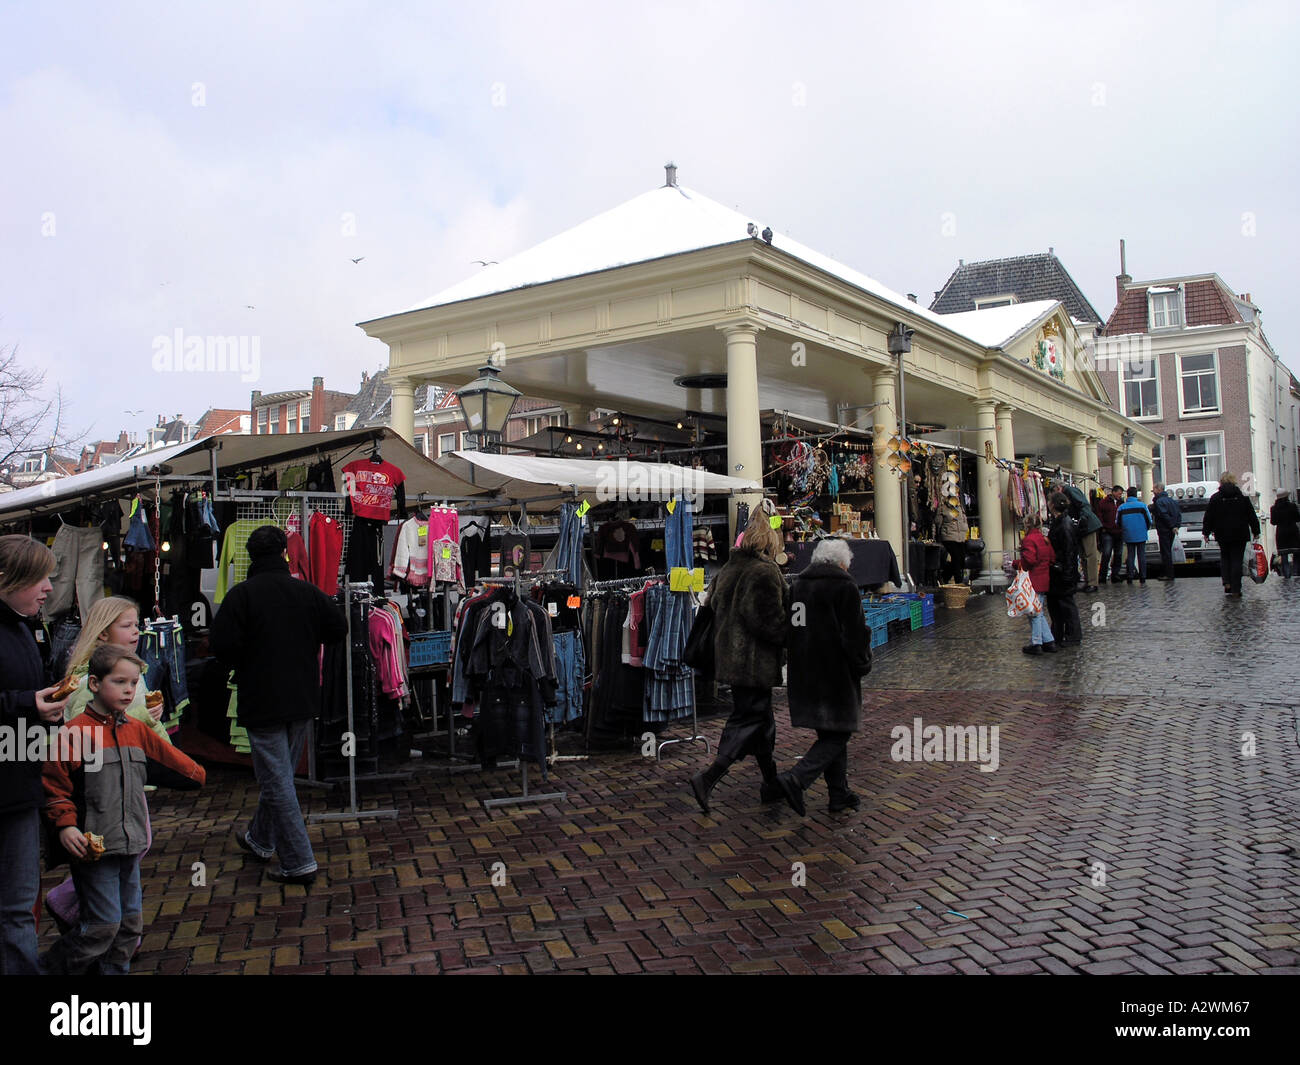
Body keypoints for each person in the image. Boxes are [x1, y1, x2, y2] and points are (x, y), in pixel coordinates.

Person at [40, 645, 205, 975]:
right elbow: (54, 787)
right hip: (93, 848)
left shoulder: (137, 730)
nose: (129, 690)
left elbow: (189, 772)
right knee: (101, 927)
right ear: (95, 684)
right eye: (119, 682)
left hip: (130, 844)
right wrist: (66, 825)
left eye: (133, 683)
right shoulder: (75, 733)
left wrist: (191, 772)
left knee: (129, 927)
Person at [210, 525, 347, 884]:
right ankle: (260, 838)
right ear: (285, 554)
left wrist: (250, 656)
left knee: (276, 780)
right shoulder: (307, 592)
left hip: (262, 698)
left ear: (252, 556)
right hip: (301, 696)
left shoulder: (241, 597)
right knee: (280, 774)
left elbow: (221, 647)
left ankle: (300, 861)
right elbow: (338, 628)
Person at [688, 504, 790, 815]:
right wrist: (791, 634)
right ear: (771, 540)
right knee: (748, 719)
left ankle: (771, 782)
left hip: (730, 659)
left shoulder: (729, 569)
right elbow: (766, 620)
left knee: (762, 722)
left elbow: (712, 607)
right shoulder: (764, 572)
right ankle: (709, 777)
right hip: (753, 663)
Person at [0, 535, 71, 975]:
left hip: (20, 785)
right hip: (10, 784)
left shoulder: (24, 626)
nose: (48, 587)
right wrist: (28, 703)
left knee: (18, 901)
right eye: (39, 578)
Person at [778, 538, 871, 815]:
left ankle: (838, 794)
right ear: (842, 563)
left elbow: (793, 627)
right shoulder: (845, 587)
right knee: (839, 733)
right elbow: (853, 634)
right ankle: (797, 779)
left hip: (807, 670)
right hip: (835, 674)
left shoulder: (799, 586)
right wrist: (862, 662)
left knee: (831, 731)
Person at [61, 597, 170, 740]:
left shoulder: (132, 669)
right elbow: (84, 732)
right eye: (127, 626)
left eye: (136, 625)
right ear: (104, 633)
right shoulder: (90, 680)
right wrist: (143, 716)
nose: (136, 631)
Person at [1202, 473, 1261, 597]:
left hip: (1222, 533)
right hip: (1240, 533)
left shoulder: (1215, 498)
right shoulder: (1242, 497)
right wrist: (1256, 531)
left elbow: (1209, 517)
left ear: (1221, 482)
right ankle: (1236, 588)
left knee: (1225, 557)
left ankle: (1227, 582)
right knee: (1237, 560)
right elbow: (1251, 515)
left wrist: (1206, 532)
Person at [1016, 514, 1056, 655]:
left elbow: (1029, 561)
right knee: (1038, 611)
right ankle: (1048, 641)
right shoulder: (1044, 539)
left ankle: (1037, 642)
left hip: (1033, 580)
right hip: (1044, 579)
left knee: (1034, 613)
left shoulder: (1029, 540)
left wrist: (1016, 564)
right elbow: (1051, 558)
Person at [1046, 492, 1083, 646]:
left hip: (1063, 571)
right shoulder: (1059, 521)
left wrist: (1067, 572)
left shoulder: (1065, 524)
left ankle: (1073, 635)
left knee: (1067, 605)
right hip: (1058, 570)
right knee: (1055, 605)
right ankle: (1058, 633)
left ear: (1053, 505)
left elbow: (1068, 550)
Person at [1064, 484, 1102, 592]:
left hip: (1087, 526)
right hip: (1082, 527)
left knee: (1089, 555)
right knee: (1084, 555)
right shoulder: (1069, 492)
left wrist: (1083, 518)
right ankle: (1088, 581)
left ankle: (1092, 582)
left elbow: (1084, 505)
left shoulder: (1070, 491)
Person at [1116, 487, 1154, 585]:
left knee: (1130, 555)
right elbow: (1149, 520)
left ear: (1127, 495)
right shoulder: (1142, 506)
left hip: (1128, 534)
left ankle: (1130, 576)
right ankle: (1143, 577)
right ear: (1136, 494)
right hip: (1141, 534)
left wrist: (1125, 529)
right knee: (1141, 555)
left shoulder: (1122, 507)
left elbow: (1118, 522)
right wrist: (1145, 529)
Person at [1151, 483, 1183, 582]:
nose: (1153, 492)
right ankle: (1168, 573)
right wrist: (1176, 526)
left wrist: (1172, 526)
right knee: (1168, 551)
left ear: (1158, 489)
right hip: (1171, 530)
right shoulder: (1173, 501)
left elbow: (1163, 515)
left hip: (1164, 529)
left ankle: (1168, 574)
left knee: (1165, 553)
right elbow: (1178, 514)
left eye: (1154, 490)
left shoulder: (1159, 502)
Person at [1095, 485, 1125, 584]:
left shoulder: (1121, 503)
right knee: (1106, 554)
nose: (1120, 496)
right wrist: (1103, 527)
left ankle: (1115, 574)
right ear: (1114, 492)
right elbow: (1099, 516)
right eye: (1119, 493)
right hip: (1107, 532)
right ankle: (1102, 575)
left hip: (1119, 532)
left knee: (1118, 554)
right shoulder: (1103, 503)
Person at [936, 504, 970, 584]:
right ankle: (958, 582)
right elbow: (938, 522)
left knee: (961, 559)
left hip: (960, 537)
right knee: (956, 558)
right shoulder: (943, 508)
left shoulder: (960, 507)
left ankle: (945, 576)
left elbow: (963, 521)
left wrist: (965, 530)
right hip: (949, 536)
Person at [1270, 490, 1300, 578]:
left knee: (1284, 555)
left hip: (1281, 533)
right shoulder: (1292, 506)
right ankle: (1295, 572)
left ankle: (1287, 574)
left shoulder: (1274, 508)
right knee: (1296, 553)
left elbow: (1273, 522)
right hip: (1293, 532)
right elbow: (1298, 518)